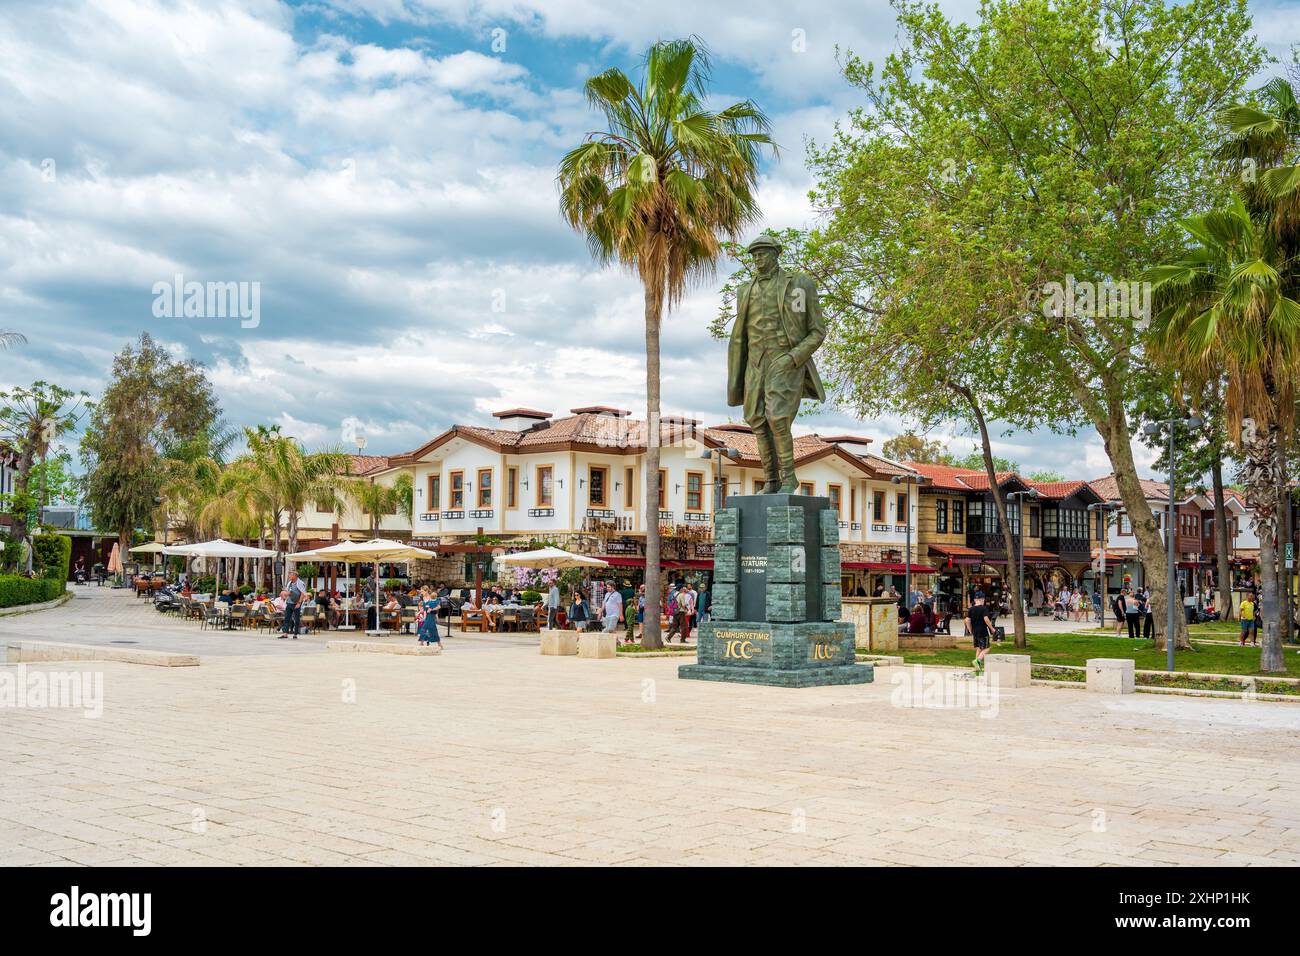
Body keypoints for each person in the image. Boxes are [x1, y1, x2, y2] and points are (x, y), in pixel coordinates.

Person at [965, 593, 996, 675]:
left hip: (975, 631)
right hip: (983, 631)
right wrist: (992, 628)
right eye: (983, 600)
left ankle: (977, 670)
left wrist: (970, 630)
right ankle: (977, 661)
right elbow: (986, 619)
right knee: (987, 648)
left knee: (979, 648)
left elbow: (967, 620)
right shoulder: (984, 609)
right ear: (982, 599)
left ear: (975, 600)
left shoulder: (971, 609)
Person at [279, 570, 306, 640]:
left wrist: (299, 603)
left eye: (290, 575)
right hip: (289, 603)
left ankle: (295, 634)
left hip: (296, 603)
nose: (289, 576)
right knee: (287, 619)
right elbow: (288, 592)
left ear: (294, 576)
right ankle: (285, 634)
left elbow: (303, 593)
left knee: (296, 619)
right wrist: (284, 595)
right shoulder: (289, 583)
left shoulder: (300, 583)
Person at [416, 585, 443, 651]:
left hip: (431, 616)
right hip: (427, 616)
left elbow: (438, 606)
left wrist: (432, 609)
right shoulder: (423, 598)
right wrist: (419, 612)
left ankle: (439, 644)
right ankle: (423, 643)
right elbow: (424, 608)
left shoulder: (431, 597)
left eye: (422, 591)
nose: (421, 592)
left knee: (429, 628)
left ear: (426, 591)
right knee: (427, 628)